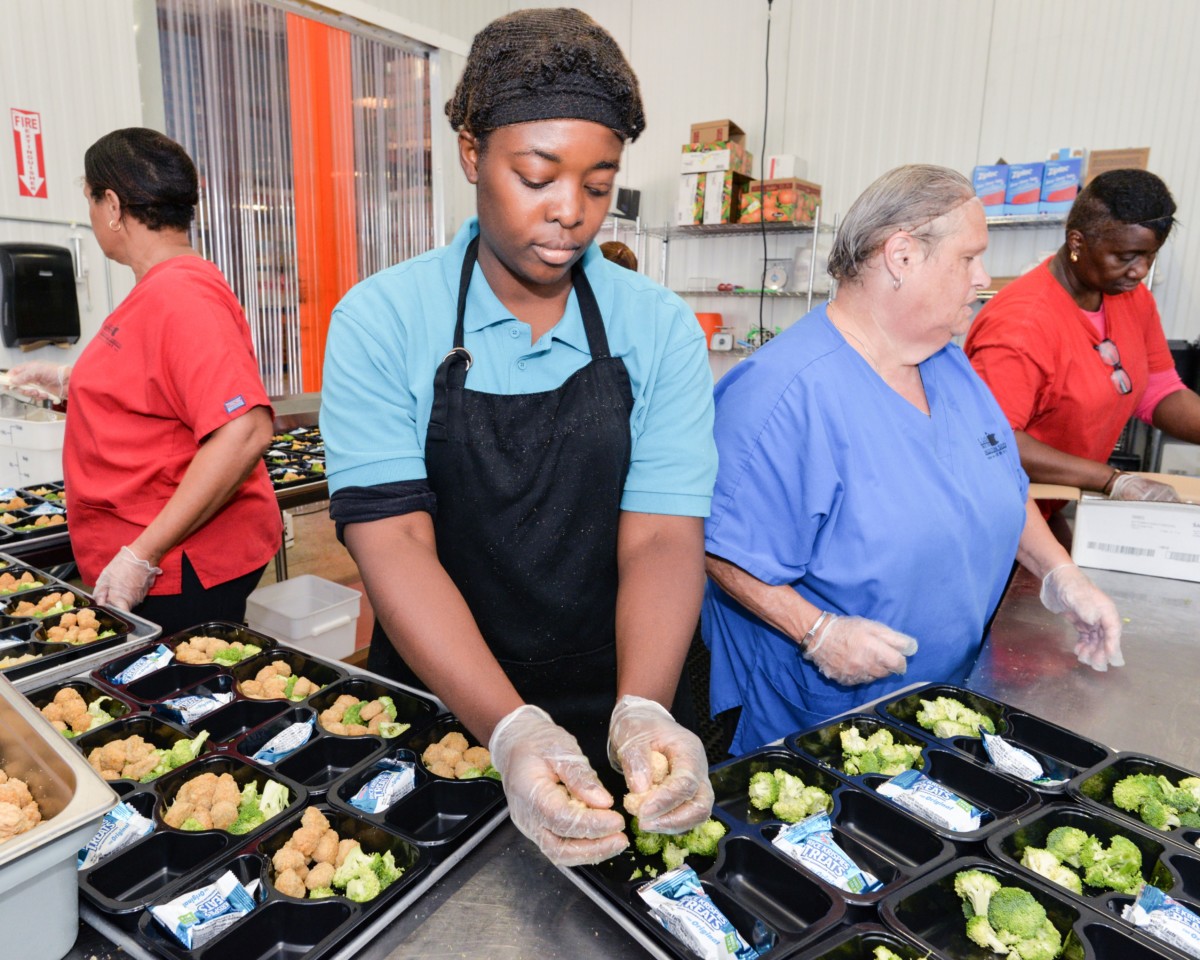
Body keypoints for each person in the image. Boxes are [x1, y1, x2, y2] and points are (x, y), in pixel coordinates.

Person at [321, 8, 716, 866]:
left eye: (600, 183)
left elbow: (660, 535)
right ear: (472, 152)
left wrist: (642, 711)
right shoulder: (382, 321)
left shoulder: (659, 329)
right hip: (449, 702)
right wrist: (509, 732)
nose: (570, 212)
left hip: (620, 679)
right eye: (536, 174)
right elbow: (393, 541)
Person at [702, 165, 1124, 755]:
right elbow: (720, 546)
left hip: (947, 692)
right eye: (969, 258)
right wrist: (819, 632)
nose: (983, 278)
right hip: (831, 712)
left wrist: (1061, 575)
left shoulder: (948, 364)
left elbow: (1000, 483)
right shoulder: (784, 394)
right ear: (902, 256)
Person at [9, 128, 281, 635]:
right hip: (149, 553)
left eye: (91, 199)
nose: (93, 217)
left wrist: (142, 553)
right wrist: (71, 382)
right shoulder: (156, 289)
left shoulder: (182, 295)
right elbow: (153, 385)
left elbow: (244, 430)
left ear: (112, 205)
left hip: (180, 566)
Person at [965, 169, 1200, 515]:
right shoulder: (1019, 326)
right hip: (996, 513)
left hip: (1053, 502)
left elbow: (1158, 389)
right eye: (1125, 257)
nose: (1140, 270)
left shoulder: (1132, 299)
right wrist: (1112, 480)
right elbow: (994, 439)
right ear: (1077, 242)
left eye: (1150, 256)